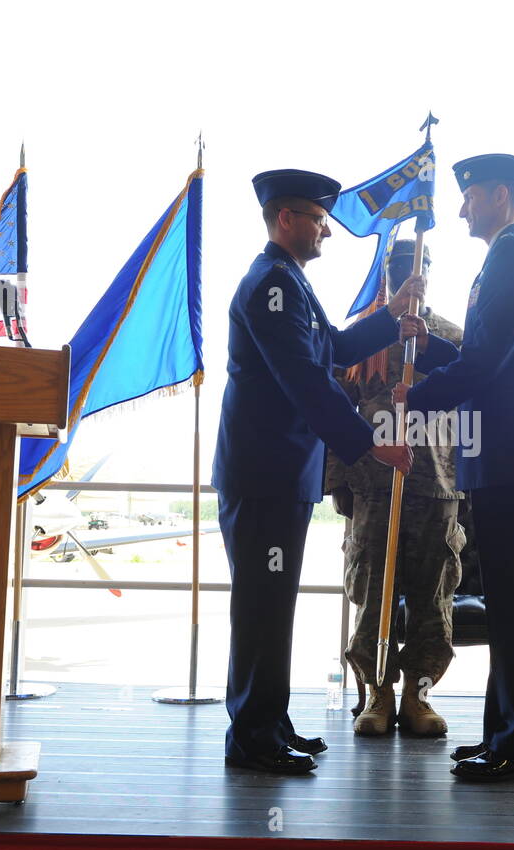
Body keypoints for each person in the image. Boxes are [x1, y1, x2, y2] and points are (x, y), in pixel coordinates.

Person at [212, 169, 457, 775]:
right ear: (286, 219)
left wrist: (393, 315)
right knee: (260, 608)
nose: (326, 229)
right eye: (318, 219)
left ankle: (271, 722)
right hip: (264, 476)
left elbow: (336, 349)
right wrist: (368, 444)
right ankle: (251, 736)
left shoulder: (290, 283)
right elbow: (304, 378)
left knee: (275, 607)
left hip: (283, 477)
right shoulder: (271, 285)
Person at [396, 154, 514, 782]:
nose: (460, 209)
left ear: (500, 196)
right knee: (510, 601)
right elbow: (481, 354)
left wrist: (412, 396)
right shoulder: (507, 256)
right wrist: (426, 352)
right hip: (503, 448)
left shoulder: (512, 257)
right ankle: (506, 735)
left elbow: (485, 365)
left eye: (470, 196)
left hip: (513, 448)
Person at [325, 240, 466, 737]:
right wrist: (343, 488)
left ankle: (418, 693)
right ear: (386, 274)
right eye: (399, 267)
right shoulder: (364, 340)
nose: (410, 275)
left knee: (433, 598)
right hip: (375, 487)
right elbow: (337, 410)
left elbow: (477, 409)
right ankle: (377, 693)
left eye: (418, 266)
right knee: (371, 594)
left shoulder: (450, 338)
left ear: (430, 271)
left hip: (436, 486)